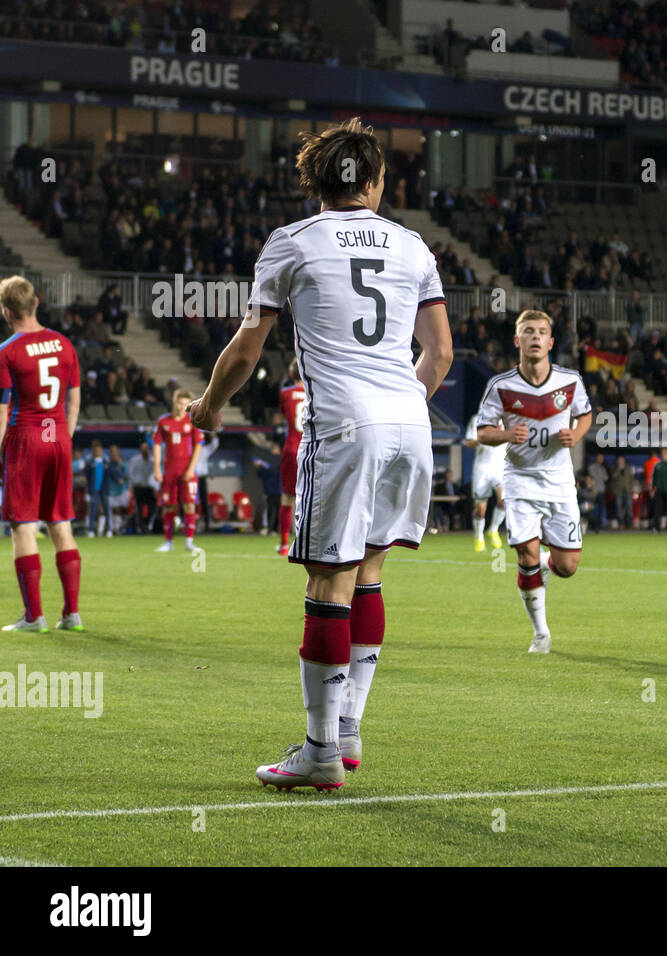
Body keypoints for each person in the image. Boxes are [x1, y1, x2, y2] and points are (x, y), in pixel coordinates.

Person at [186, 116, 454, 791]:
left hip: (345, 426)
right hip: (410, 423)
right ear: (372, 180)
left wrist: (211, 405)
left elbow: (247, 348)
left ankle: (319, 750)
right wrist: (402, 406)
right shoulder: (414, 245)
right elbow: (441, 352)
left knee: (326, 582)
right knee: (368, 574)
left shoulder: (292, 243)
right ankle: (349, 728)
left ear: (317, 180)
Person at [472, 309, 591, 654]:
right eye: (528, 331)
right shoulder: (501, 385)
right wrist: (508, 433)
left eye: (541, 332)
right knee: (525, 554)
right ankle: (541, 633)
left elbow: (585, 414)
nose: (535, 337)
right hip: (520, 478)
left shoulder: (569, 381)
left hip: (558, 480)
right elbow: (482, 432)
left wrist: (576, 434)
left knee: (568, 566)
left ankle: (546, 565)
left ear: (551, 342)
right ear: (517, 340)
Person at [0, 275, 84, 632]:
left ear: (6, 311)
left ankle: (34, 616)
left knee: (24, 527)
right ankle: (72, 614)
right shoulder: (64, 344)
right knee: (60, 524)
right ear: (36, 303)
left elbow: (3, 409)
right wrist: (65, 435)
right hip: (59, 438)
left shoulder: (8, 351)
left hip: (26, 439)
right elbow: (75, 398)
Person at [152, 389, 204, 553]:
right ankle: (168, 542)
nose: (182, 407)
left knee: (189, 505)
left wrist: (191, 469)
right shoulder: (163, 421)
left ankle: (189, 541)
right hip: (169, 472)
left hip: (187, 471)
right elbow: (156, 445)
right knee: (168, 507)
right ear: (174, 403)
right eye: (180, 403)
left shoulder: (193, 421)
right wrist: (157, 469)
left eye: (186, 404)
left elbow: (198, 446)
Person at [464, 414, 507, 551]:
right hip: (482, 468)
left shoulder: (507, 419)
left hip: (501, 466)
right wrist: (481, 439)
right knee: (480, 509)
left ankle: (493, 529)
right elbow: (468, 443)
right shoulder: (477, 419)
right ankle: (479, 537)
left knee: (504, 500)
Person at [277, 360, 306, 556]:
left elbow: (282, 416)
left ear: (290, 373)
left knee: (287, 498)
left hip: (291, 448)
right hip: (312, 448)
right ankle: (306, 543)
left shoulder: (285, 394)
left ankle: (284, 544)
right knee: (311, 498)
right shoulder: (317, 393)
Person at [128, 442, 158, 534]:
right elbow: (131, 473)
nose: (145, 451)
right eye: (143, 449)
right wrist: (134, 484)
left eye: (146, 449)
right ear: (140, 450)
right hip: (139, 488)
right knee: (139, 508)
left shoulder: (153, 461)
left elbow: (156, 474)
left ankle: (149, 525)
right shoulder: (135, 460)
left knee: (153, 508)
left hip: (150, 488)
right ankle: (140, 528)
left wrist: (156, 487)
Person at [84, 440, 110, 537]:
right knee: (93, 510)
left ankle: (108, 530)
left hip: (104, 490)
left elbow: (110, 475)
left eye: (99, 450)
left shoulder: (106, 462)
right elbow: (85, 475)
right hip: (94, 490)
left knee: (107, 510)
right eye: (95, 450)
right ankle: (91, 530)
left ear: (102, 451)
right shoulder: (90, 463)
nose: (97, 452)